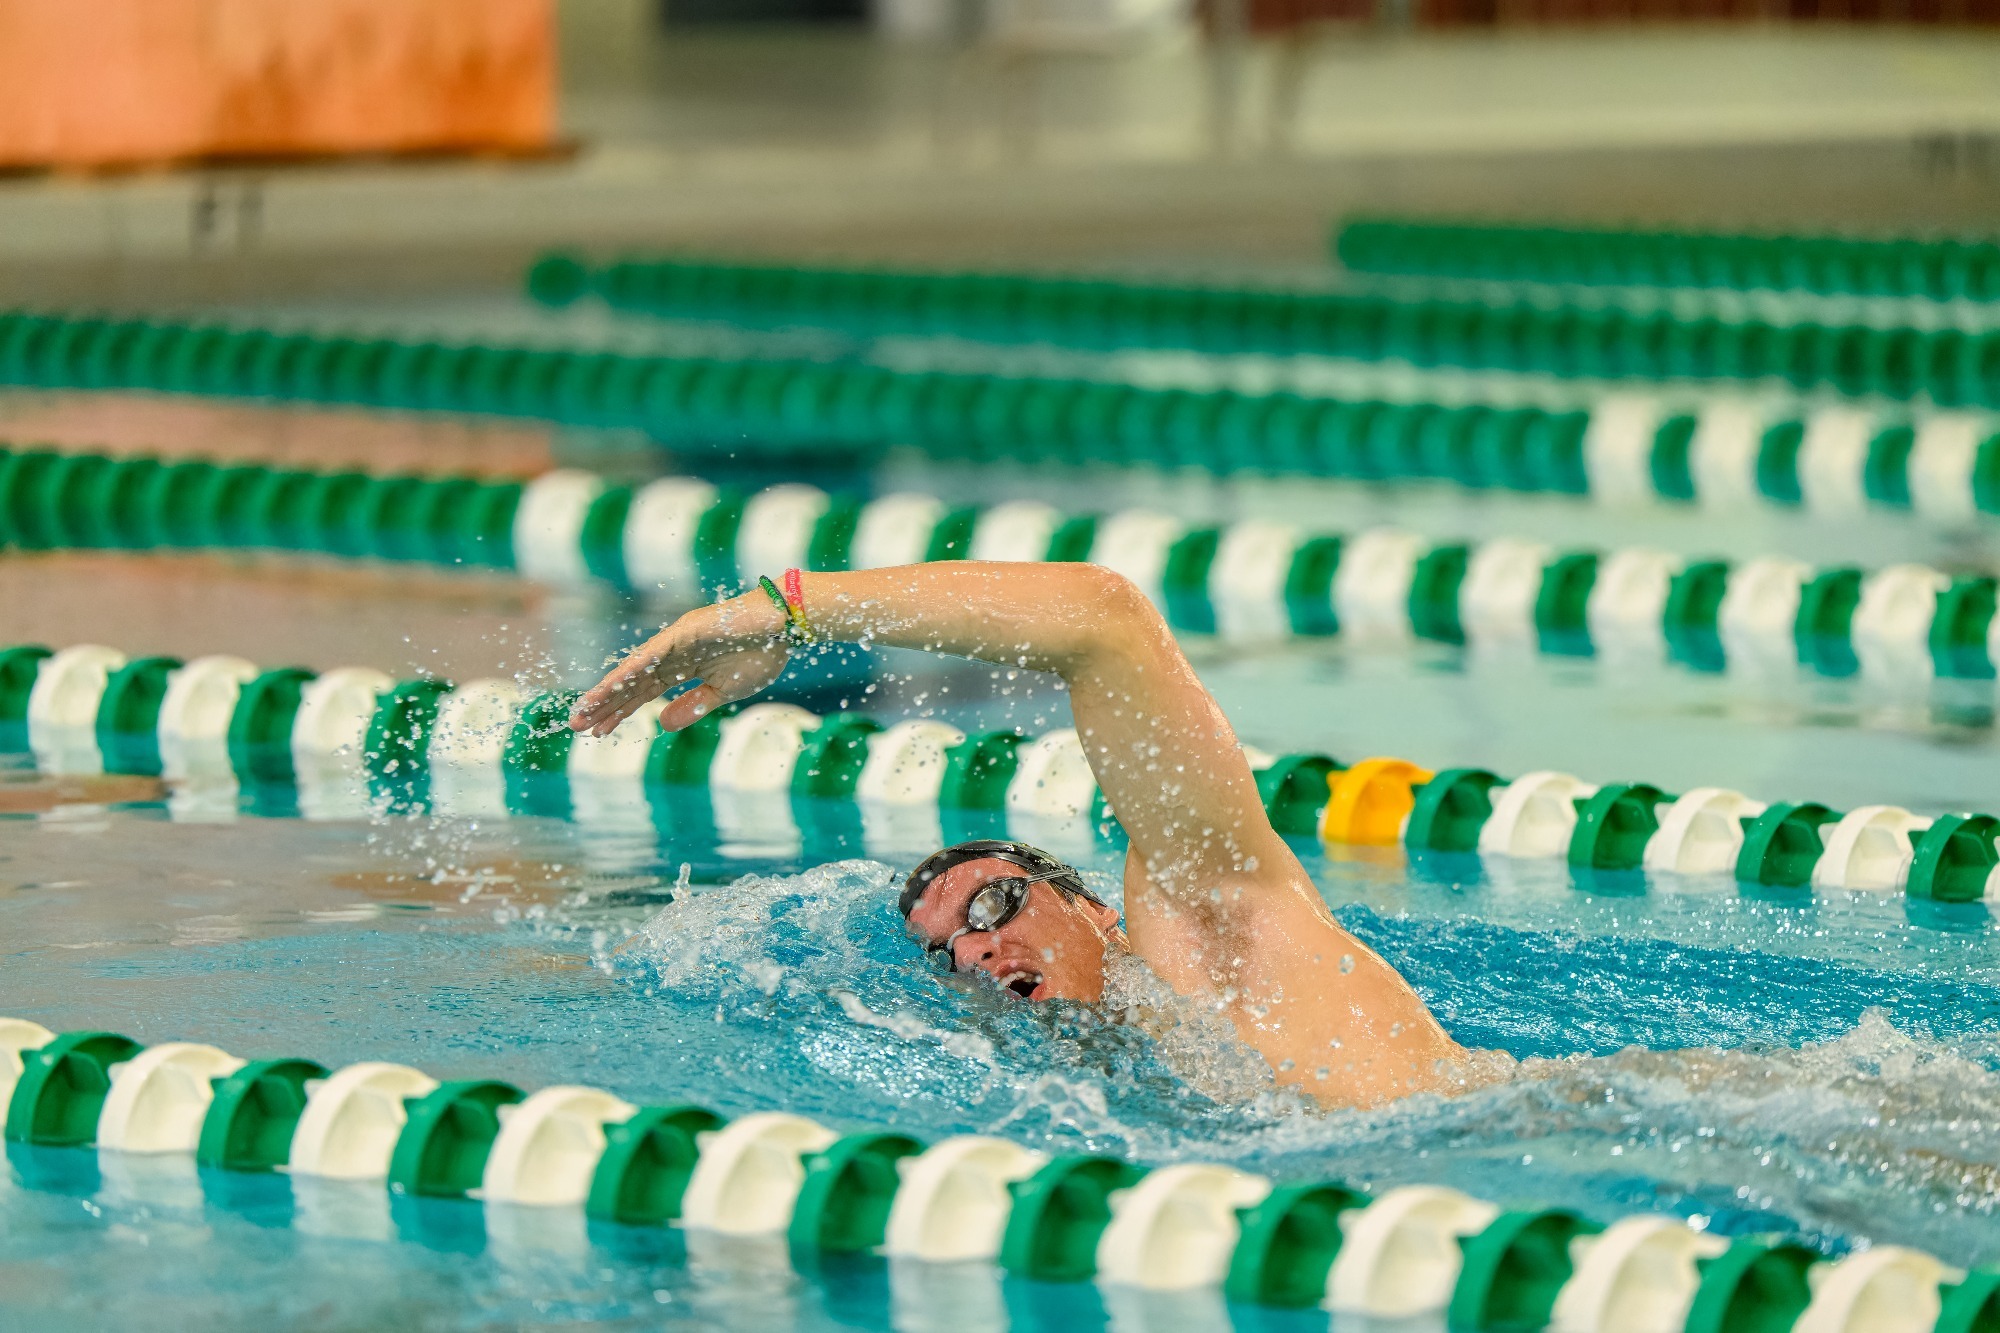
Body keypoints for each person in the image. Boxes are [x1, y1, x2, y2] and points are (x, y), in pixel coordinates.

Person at [571, 561, 1467, 1109]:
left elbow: (1104, 620)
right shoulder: (1120, 1082)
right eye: (945, 950)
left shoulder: (1218, 947)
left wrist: (784, 609)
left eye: (996, 901)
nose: (980, 949)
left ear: (1095, 909)